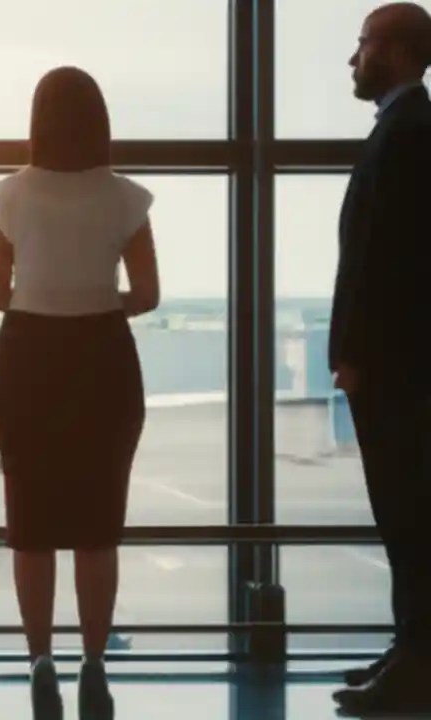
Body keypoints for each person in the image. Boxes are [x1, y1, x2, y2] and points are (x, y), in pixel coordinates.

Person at [0, 66, 159, 720]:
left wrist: (44, 296)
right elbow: (147, 295)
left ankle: (40, 662)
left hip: (27, 362)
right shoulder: (126, 199)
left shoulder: (7, 198)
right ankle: (94, 664)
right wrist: (94, 301)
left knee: (30, 526)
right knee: (98, 526)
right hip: (104, 362)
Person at [327, 3, 431, 715]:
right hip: (399, 364)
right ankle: (409, 650)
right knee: (405, 519)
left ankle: (418, 663)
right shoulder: (404, 127)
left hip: (397, 369)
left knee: (409, 517)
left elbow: (383, 262)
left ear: (392, 51)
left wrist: (356, 353)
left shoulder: (409, 133)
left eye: (362, 44)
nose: (353, 58)